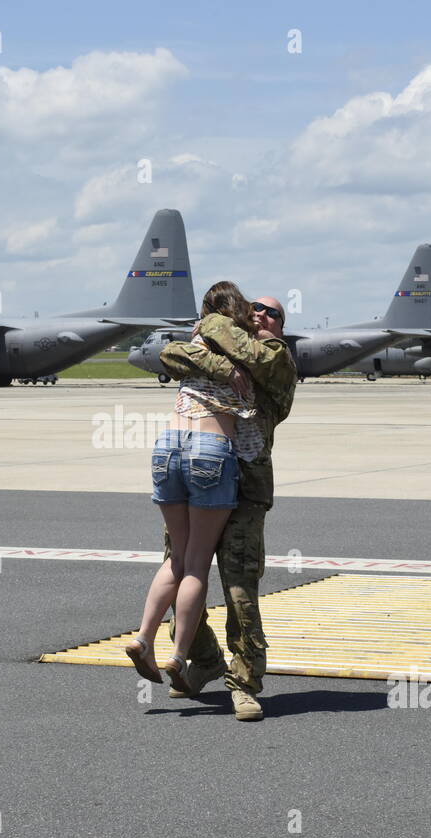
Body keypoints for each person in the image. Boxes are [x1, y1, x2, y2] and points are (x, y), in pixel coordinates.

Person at [157, 296, 297, 720]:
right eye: (254, 307)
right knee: (180, 573)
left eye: (272, 312)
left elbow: (245, 353)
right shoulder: (229, 350)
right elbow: (169, 353)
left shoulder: (277, 358)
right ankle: (205, 660)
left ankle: (244, 683)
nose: (260, 314)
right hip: (201, 479)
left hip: (245, 495)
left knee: (240, 594)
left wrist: (214, 324)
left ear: (281, 326)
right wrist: (220, 366)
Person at [127, 282, 262, 695]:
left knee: (175, 559)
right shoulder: (241, 345)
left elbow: (168, 353)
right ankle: (180, 655)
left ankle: (143, 637)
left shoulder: (195, 340)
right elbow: (251, 435)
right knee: (198, 564)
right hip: (209, 446)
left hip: (167, 443)